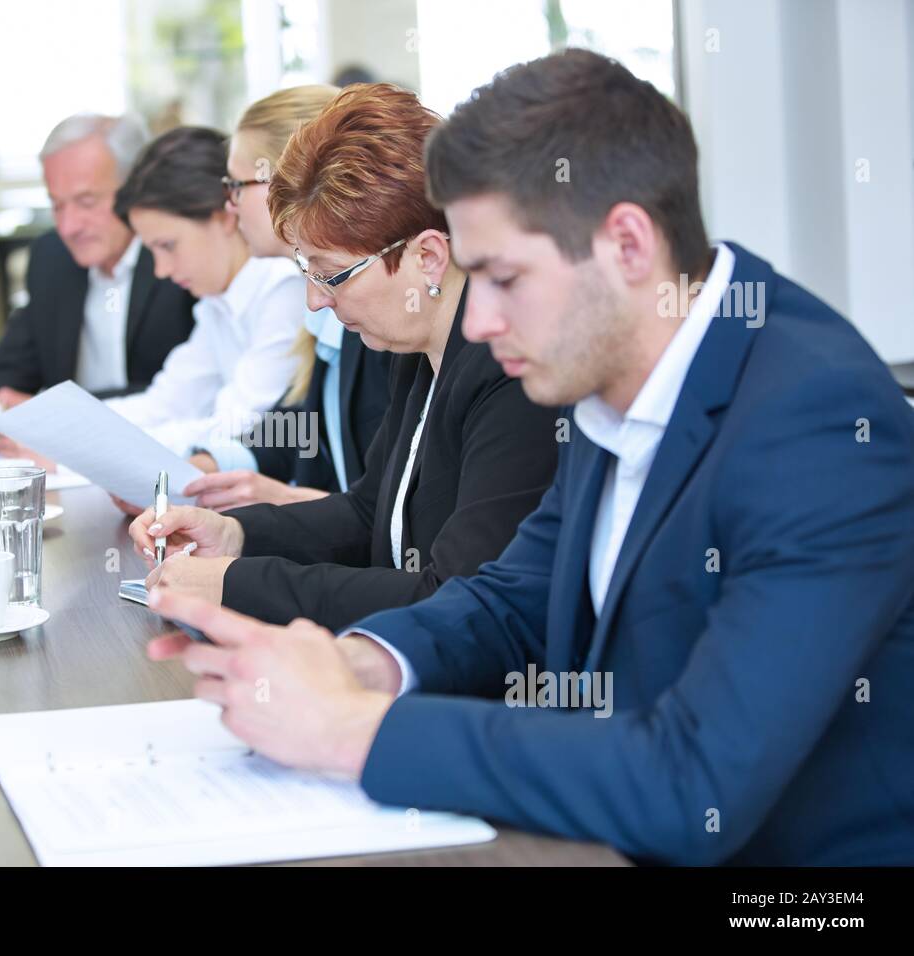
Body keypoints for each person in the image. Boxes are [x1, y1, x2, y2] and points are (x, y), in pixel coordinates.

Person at [142, 50, 914, 866]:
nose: (477, 323)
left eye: (504, 278)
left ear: (626, 245)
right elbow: (511, 600)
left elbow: (696, 782)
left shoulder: (817, 423)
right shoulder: (605, 366)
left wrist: (358, 729)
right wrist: (358, 663)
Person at [129, 84, 558, 632]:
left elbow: (454, 596)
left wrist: (235, 584)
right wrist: (235, 534)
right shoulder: (417, 339)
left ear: (426, 257)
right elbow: (366, 511)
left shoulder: (510, 369)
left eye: (330, 273)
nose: (315, 299)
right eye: (306, 272)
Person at [187, 84, 394, 510]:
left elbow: (389, 516)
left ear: (289, 181)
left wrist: (285, 499)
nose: (230, 206)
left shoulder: (380, 320)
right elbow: (293, 432)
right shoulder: (323, 309)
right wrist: (211, 466)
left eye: (236, 186)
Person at [0, 114, 197, 450]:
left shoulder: (178, 260)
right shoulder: (52, 258)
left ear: (136, 188)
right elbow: (0, 378)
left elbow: (185, 394)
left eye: (86, 202)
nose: (69, 226)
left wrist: (47, 412)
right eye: (56, 205)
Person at [104, 126, 305, 459]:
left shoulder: (285, 289)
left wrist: (109, 446)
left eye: (167, 246)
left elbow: (238, 425)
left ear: (226, 216)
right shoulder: (217, 301)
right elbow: (168, 403)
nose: (161, 270)